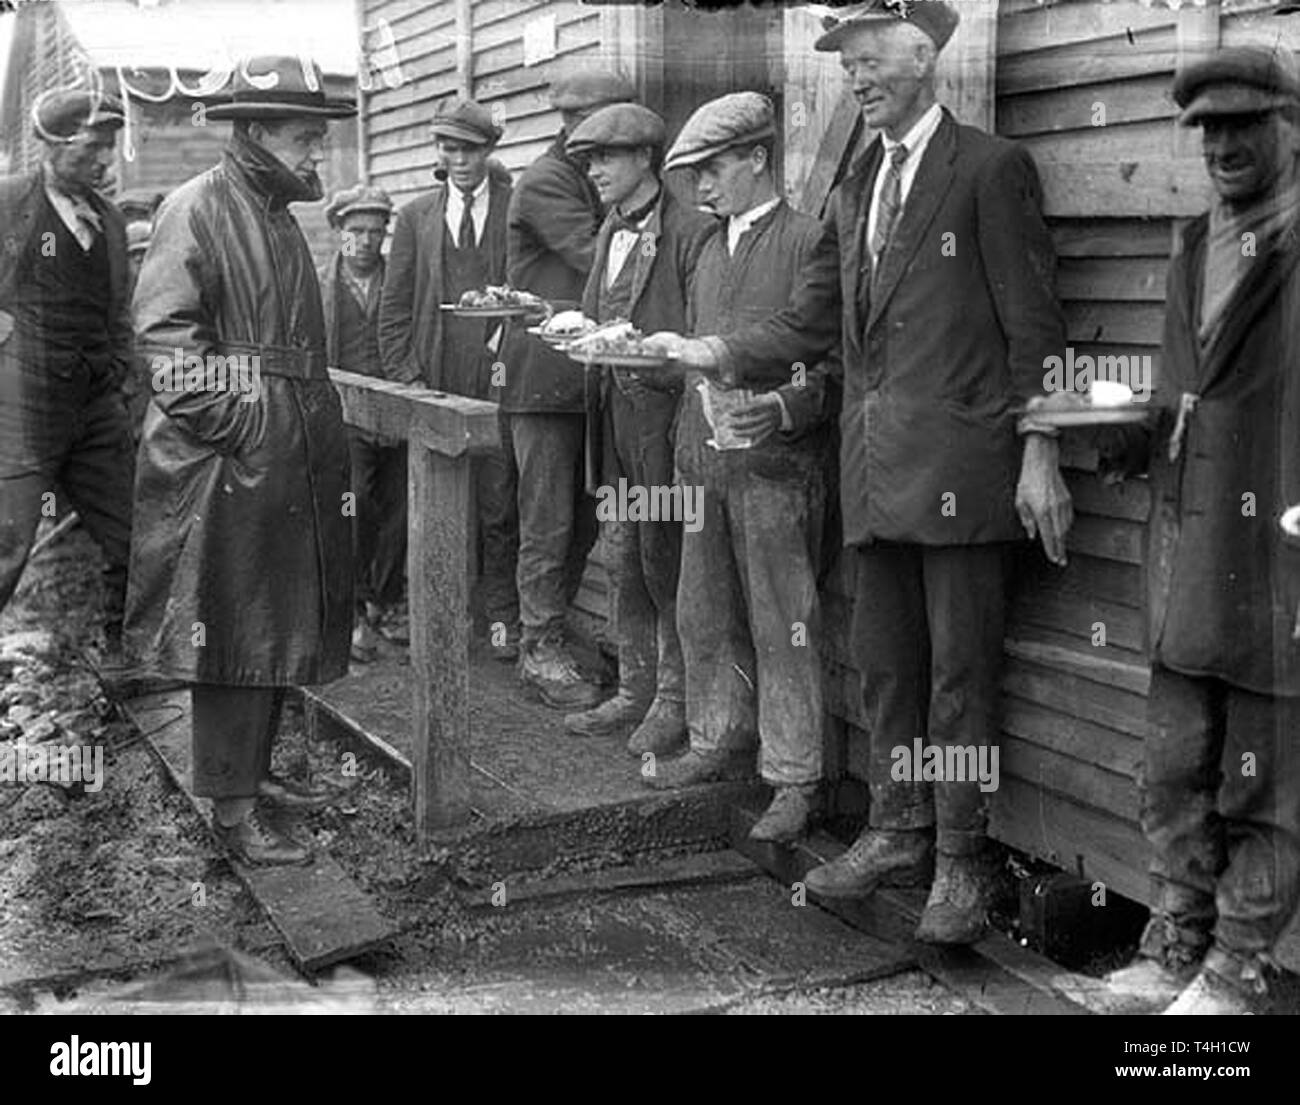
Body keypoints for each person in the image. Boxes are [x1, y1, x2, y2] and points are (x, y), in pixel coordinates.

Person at [648, 0, 1071, 944]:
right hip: (873, 477)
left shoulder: (990, 169)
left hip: (967, 473)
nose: (858, 79)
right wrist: (710, 347)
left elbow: (1038, 326)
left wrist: (1041, 452)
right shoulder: (857, 183)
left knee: (959, 677)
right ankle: (896, 829)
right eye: (844, 68)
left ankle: (959, 862)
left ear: (924, 59)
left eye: (871, 60)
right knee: (886, 666)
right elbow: (806, 324)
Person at [1099, 44, 1300, 1015]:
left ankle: (1236, 966)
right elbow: (1188, 391)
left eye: (1242, 125)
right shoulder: (1192, 243)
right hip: (1188, 552)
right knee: (1173, 768)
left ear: (1288, 128)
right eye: (1208, 128)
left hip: (1279, 559)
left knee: (1268, 781)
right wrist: (1123, 431)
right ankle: (1174, 937)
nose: (1221, 144)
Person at [127, 56, 356, 866]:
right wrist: (243, 423)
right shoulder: (198, 207)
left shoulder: (275, 212)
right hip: (226, 463)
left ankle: (250, 777)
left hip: (279, 453)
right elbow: (164, 339)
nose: (316, 156)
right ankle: (231, 814)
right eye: (305, 139)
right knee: (226, 631)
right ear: (254, 131)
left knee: (269, 623)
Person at [637, 93, 835, 843]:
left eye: (713, 170)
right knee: (701, 608)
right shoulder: (708, 249)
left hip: (776, 468)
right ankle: (717, 737)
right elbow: (697, 352)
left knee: (784, 621)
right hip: (703, 463)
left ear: (758, 158)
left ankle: (793, 777)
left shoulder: (809, 241)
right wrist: (644, 360)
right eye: (691, 176)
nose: (701, 189)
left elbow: (833, 367)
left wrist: (784, 407)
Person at [561, 103, 712, 749]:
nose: (594, 169)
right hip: (616, 424)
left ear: (646, 159)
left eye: (605, 157)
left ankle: (675, 701)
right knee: (623, 553)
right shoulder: (609, 230)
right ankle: (633, 689)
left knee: (665, 557)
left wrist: (654, 363)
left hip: (666, 423)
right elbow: (599, 316)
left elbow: (703, 343)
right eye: (588, 159)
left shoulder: (691, 230)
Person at [505, 69, 636, 709]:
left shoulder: (586, 174)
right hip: (545, 379)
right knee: (548, 522)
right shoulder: (547, 181)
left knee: (583, 519)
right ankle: (538, 648)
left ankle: (554, 636)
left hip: (589, 375)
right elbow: (597, 258)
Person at [0, 89, 135, 672]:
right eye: (93, 147)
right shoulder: (9, 204)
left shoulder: (107, 219)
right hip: (23, 410)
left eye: (109, 147)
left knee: (137, 533)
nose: (105, 161)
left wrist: (119, 371)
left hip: (96, 409)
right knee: (6, 548)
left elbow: (119, 313)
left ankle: (123, 651)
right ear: (53, 144)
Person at [378, 98, 520, 652]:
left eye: (470, 149)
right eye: (449, 148)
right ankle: (442, 619)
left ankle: (503, 623)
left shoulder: (515, 206)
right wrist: (409, 380)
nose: (458, 159)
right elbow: (394, 308)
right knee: (438, 501)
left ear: (488, 151)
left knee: (500, 500)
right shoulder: (416, 216)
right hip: (437, 370)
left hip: (499, 372)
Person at [319, 184, 403, 664]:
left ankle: (385, 603)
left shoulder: (400, 280)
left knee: (399, 513)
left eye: (376, 232)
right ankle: (352, 608)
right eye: (356, 232)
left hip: (397, 412)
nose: (367, 241)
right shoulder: (318, 285)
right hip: (346, 417)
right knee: (356, 506)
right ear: (339, 232)